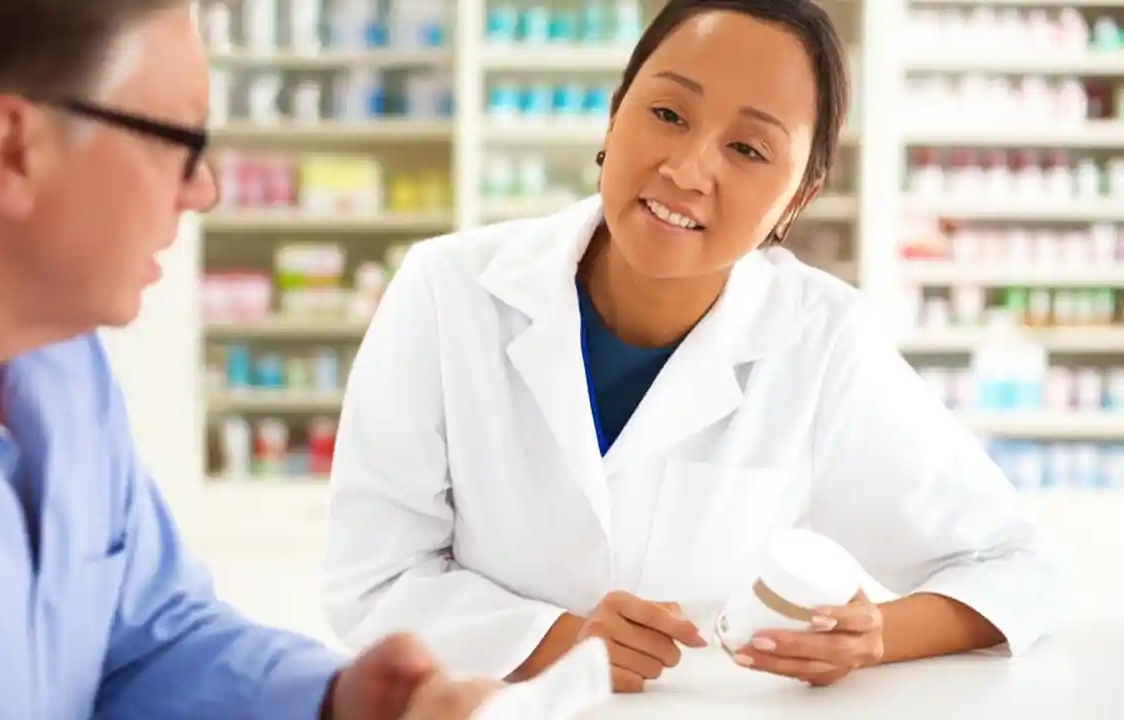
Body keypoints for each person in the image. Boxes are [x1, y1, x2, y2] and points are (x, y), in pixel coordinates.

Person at [323, 0, 1065, 694]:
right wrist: (564, 642)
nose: (687, 170)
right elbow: (373, 583)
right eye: (668, 113)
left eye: (747, 148)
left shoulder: (823, 341)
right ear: (615, 115)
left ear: (798, 198)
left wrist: (872, 637)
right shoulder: (448, 292)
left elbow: (1016, 565)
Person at [0, 1, 498, 718]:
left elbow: (142, 643)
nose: (204, 189)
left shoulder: (60, 369)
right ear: (11, 150)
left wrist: (332, 702)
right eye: (181, 141)